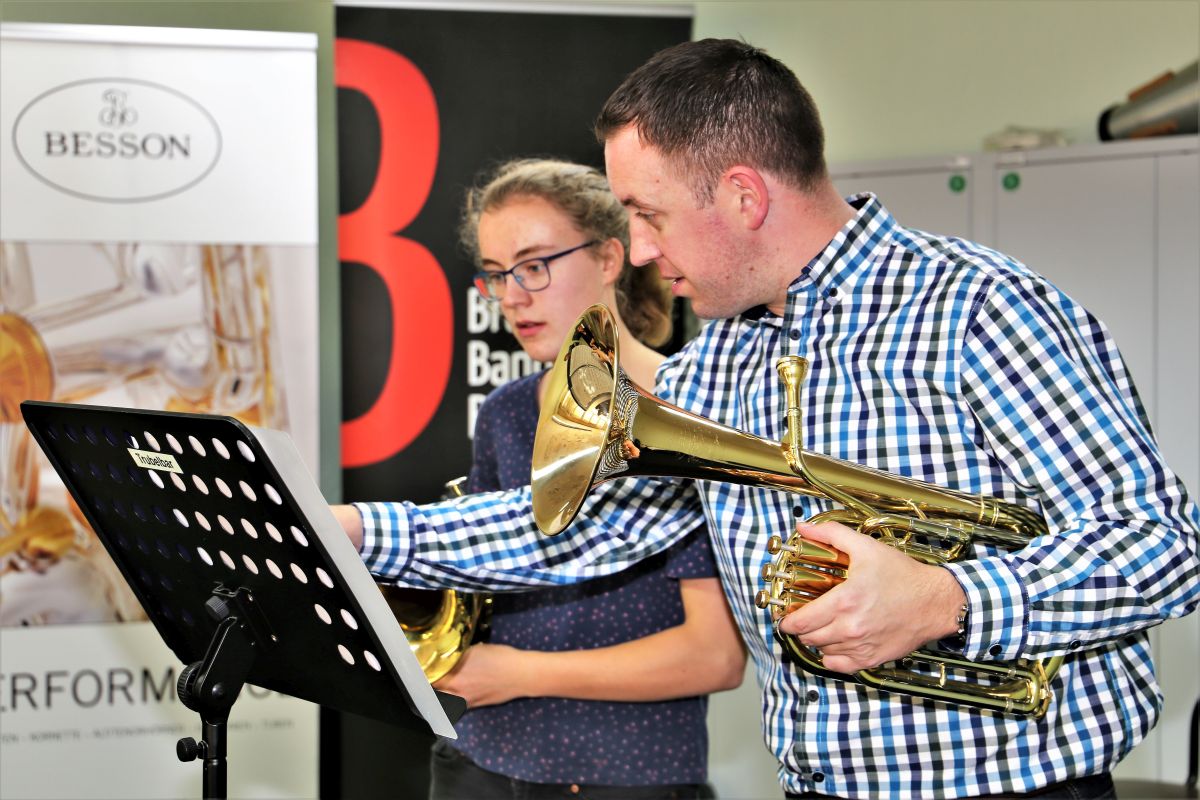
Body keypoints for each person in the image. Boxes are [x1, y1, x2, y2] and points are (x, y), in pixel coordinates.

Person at [336, 39, 1200, 799]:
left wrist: (951, 596)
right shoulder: (723, 356)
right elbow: (580, 530)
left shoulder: (980, 308)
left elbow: (1165, 543)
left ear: (744, 196)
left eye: (648, 214)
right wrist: (359, 532)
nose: (636, 251)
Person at [427, 158, 745, 800]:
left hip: (623, 777)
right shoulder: (506, 412)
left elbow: (716, 655)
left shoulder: (693, 411)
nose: (512, 296)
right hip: (477, 760)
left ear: (608, 258)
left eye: (534, 264)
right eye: (496, 275)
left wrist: (519, 673)